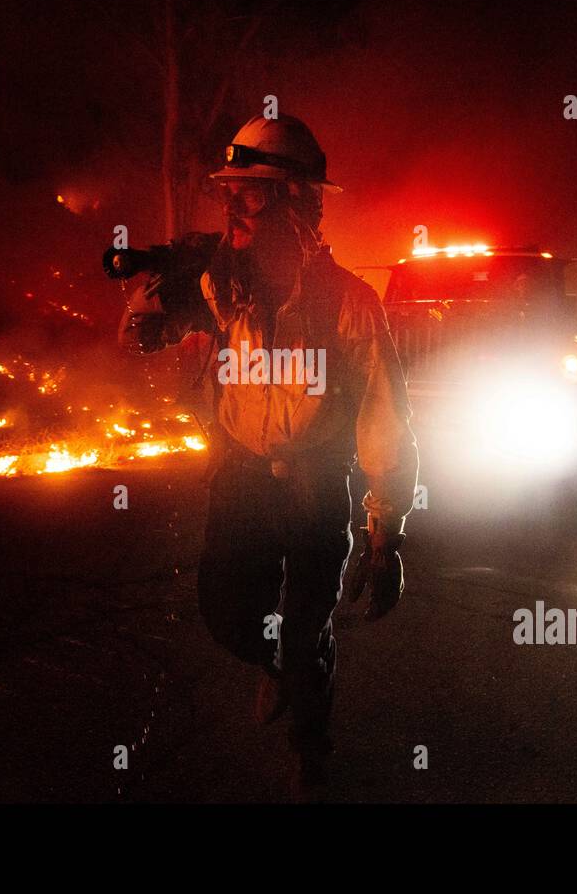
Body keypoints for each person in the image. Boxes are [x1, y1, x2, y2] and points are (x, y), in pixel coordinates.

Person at [119, 114, 418, 796]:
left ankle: (311, 751)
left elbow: (384, 418)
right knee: (226, 611)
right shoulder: (224, 286)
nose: (235, 209)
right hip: (243, 476)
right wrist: (149, 317)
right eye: (232, 194)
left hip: (315, 484)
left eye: (251, 195)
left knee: (309, 628)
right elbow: (153, 322)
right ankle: (274, 660)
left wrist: (386, 533)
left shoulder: (350, 302)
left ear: (295, 204)